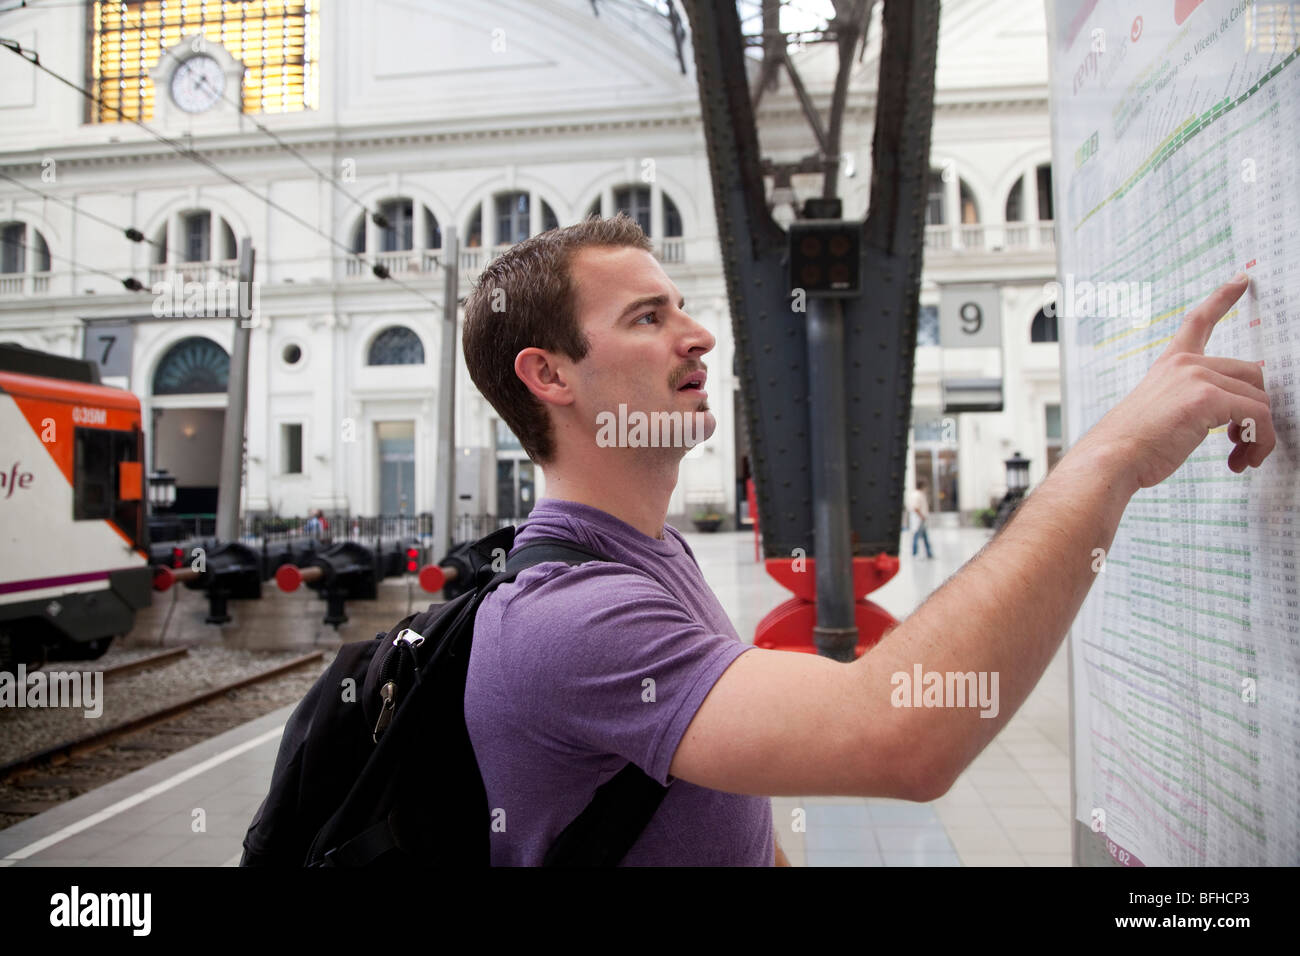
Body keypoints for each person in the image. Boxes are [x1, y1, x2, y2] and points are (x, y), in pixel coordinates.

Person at [460, 215, 1274, 866]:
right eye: (648, 316)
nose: (699, 333)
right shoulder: (568, 619)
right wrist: (1111, 454)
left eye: (680, 305)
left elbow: (718, 815)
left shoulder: (653, 552)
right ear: (550, 376)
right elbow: (901, 735)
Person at [908, 479, 933, 560]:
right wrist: (921, 516)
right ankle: (915, 554)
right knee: (916, 536)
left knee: (925, 536)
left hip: (920, 519)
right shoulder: (917, 495)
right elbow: (916, 508)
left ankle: (929, 553)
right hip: (918, 519)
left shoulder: (919, 494)